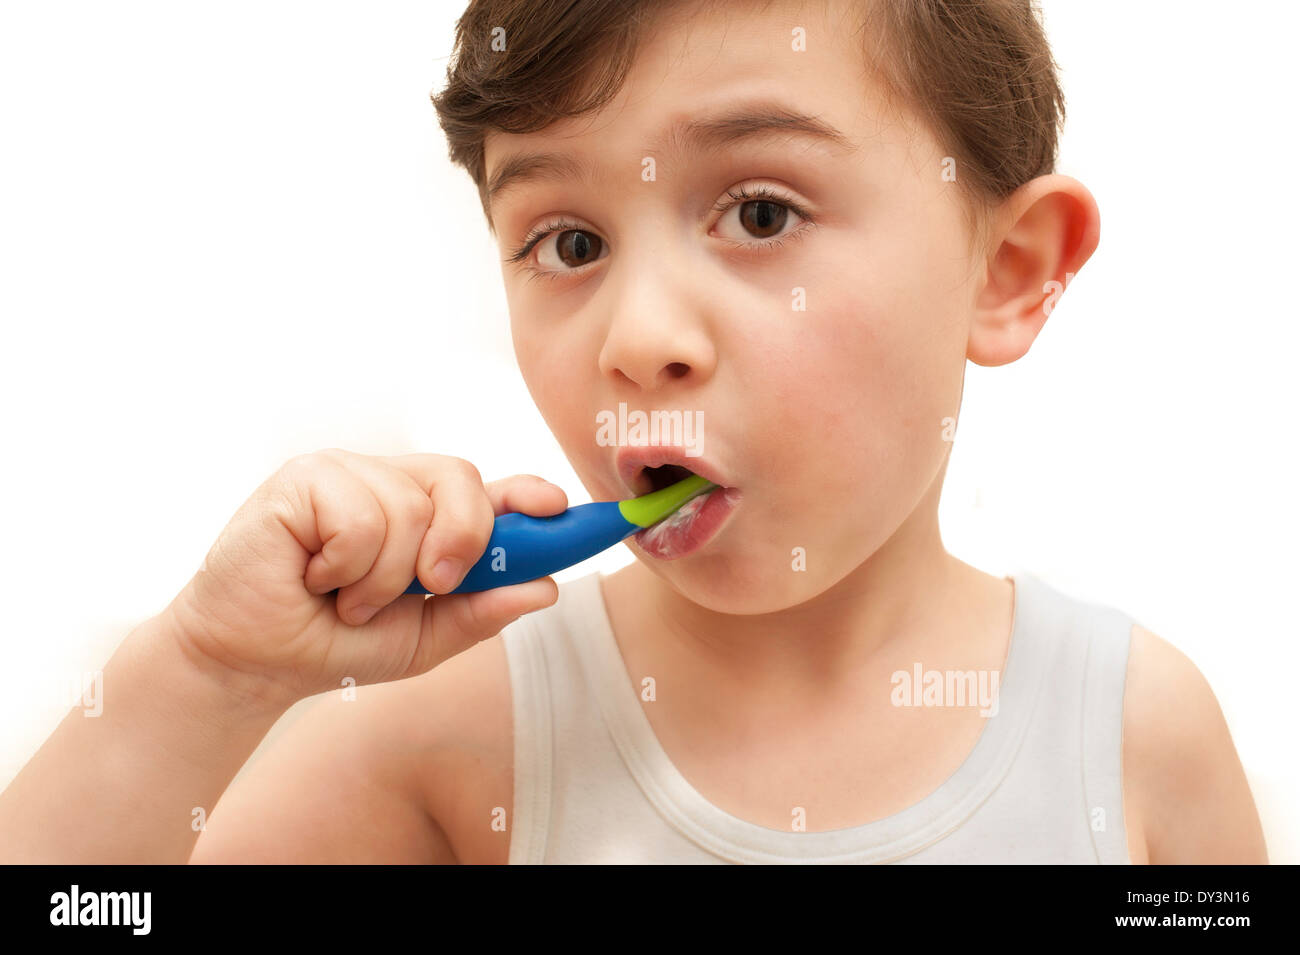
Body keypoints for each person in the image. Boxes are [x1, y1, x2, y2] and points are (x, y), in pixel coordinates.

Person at [0, 0, 1267, 864]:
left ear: (1007, 269)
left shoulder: (1133, 733)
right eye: (568, 242)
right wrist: (206, 678)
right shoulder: (449, 731)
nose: (636, 333)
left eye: (760, 214)